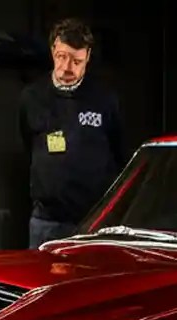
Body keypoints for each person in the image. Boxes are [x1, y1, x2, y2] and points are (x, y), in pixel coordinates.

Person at [18, 18, 126, 249]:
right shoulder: (32, 97)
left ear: (87, 57)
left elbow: (120, 153)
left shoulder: (104, 99)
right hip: (47, 220)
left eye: (76, 61)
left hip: (95, 221)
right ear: (52, 51)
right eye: (61, 57)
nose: (67, 68)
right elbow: (28, 144)